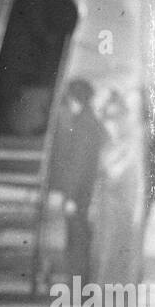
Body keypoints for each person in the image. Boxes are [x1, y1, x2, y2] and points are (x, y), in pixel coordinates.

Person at [49, 78, 105, 282]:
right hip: (81, 193)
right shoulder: (89, 122)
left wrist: (71, 197)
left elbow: (79, 166)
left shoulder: (83, 125)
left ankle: (77, 288)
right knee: (78, 239)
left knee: (77, 241)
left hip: (79, 195)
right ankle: (78, 286)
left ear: (75, 99)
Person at [91, 90, 145, 285]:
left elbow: (122, 175)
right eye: (108, 118)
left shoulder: (130, 146)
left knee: (117, 251)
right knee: (102, 250)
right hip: (105, 208)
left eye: (116, 117)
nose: (112, 124)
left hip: (122, 208)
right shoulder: (105, 145)